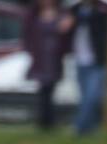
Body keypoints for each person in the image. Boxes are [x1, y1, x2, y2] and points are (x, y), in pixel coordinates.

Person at [23, 0, 72, 131]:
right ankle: (45, 122)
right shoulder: (33, 14)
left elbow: (67, 37)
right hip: (40, 58)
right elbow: (27, 35)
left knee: (49, 90)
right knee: (43, 90)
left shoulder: (62, 14)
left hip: (54, 58)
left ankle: (47, 121)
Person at [69, 0, 107, 135]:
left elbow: (103, 29)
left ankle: (79, 128)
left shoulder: (102, 10)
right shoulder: (75, 9)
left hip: (97, 61)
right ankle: (90, 130)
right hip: (80, 60)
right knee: (85, 97)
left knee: (92, 96)